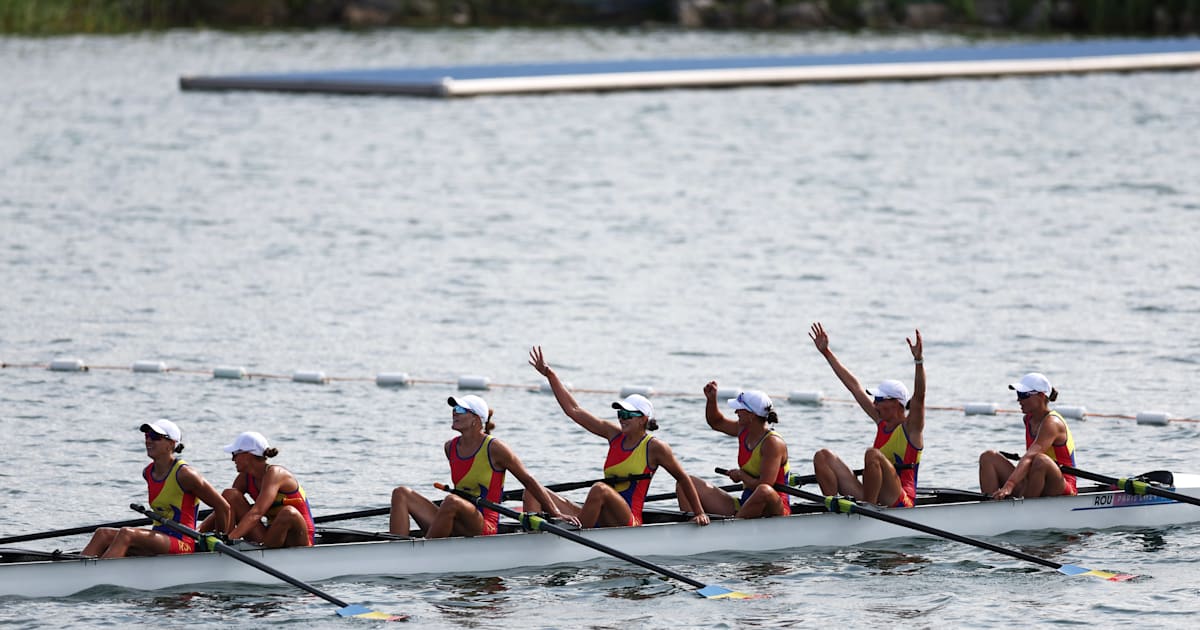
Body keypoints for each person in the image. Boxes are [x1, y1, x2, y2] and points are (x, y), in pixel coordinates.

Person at [526, 346, 710, 528]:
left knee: (599, 489)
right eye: (620, 414)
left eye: (628, 415)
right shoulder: (613, 434)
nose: (622, 419)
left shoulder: (654, 447)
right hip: (603, 514)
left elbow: (682, 478)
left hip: (629, 520)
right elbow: (574, 410)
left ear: (643, 419)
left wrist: (699, 512)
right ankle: (532, 542)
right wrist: (550, 374)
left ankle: (576, 536)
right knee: (533, 490)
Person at [388, 395, 577, 537]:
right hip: (454, 517)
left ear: (476, 419)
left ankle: (422, 555)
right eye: (453, 409)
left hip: (483, 524)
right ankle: (395, 550)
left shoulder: (496, 448)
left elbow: (528, 480)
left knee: (451, 501)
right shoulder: (450, 447)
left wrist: (556, 513)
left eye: (461, 410)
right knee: (401, 493)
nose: (454, 413)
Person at [809, 322, 925, 508]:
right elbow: (854, 387)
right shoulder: (881, 420)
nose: (875, 403)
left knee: (873, 454)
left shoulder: (911, 429)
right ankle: (831, 508)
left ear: (896, 403)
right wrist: (826, 352)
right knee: (822, 456)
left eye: (879, 399)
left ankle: (868, 509)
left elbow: (919, 397)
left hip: (901, 499)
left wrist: (919, 362)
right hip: (875, 494)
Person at [83, 420, 231, 558]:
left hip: (183, 542)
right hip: (159, 536)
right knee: (102, 534)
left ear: (171, 444)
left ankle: (100, 574)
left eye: (155, 437)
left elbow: (223, 507)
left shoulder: (186, 474)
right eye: (147, 436)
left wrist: (219, 539)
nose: (148, 440)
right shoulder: (148, 472)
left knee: (127, 533)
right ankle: (78, 571)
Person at [678, 384, 791, 519]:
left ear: (751, 415)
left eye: (739, 409)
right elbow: (716, 422)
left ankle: (733, 529)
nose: (736, 412)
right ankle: (694, 525)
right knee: (685, 483)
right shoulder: (743, 430)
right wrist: (711, 400)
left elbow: (765, 485)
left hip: (774, 507)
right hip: (746, 502)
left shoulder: (772, 443)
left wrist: (741, 475)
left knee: (764, 491)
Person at [200, 431, 316, 548]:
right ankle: (224, 550)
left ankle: (227, 544)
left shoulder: (275, 474)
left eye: (234, 454)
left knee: (288, 513)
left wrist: (229, 539)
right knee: (230, 495)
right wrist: (197, 532)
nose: (232, 459)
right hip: (271, 537)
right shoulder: (244, 479)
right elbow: (224, 508)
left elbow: (257, 513)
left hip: (299, 537)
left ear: (248, 455)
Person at [979, 372, 1077, 500]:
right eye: (1018, 394)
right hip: (1035, 479)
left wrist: (1009, 486)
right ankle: (991, 505)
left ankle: (1024, 509)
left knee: (1040, 460)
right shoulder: (1028, 419)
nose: (1018, 400)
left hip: (1061, 484)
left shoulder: (1052, 423)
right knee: (988, 457)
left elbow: (1030, 456)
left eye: (1023, 395)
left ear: (1041, 396)